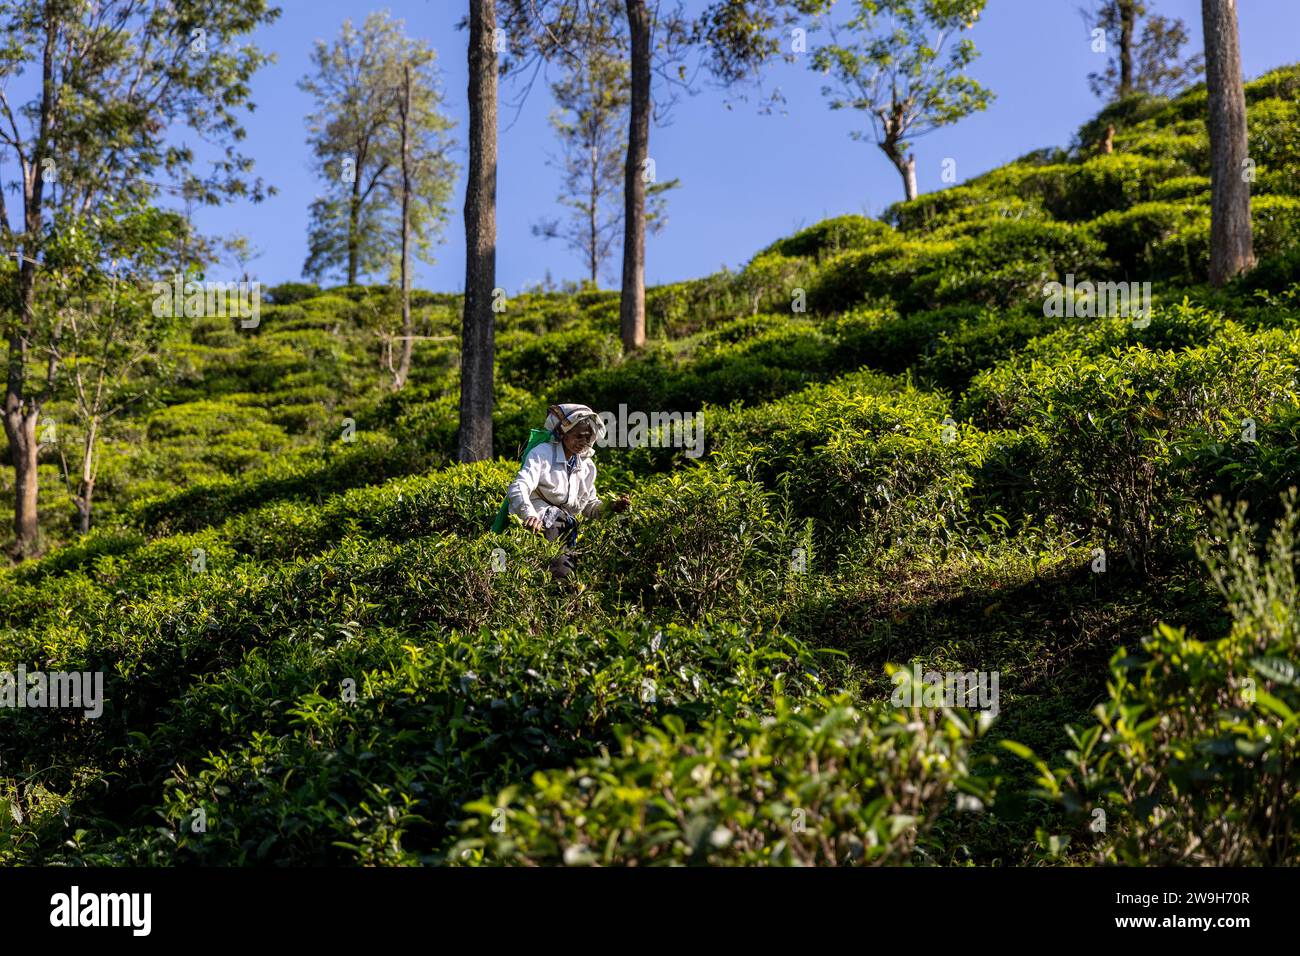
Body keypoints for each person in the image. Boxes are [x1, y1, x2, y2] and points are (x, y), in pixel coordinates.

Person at [507, 403, 630, 579]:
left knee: (568, 579)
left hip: (565, 531)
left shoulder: (587, 467)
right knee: (557, 579)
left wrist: (611, 506)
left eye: (588, 437)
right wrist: (530, 515)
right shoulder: (542, 453)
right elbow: (519, 486)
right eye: (578, 436)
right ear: (563, 433)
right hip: (540, 526)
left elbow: (590, 506)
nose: (584, 442)